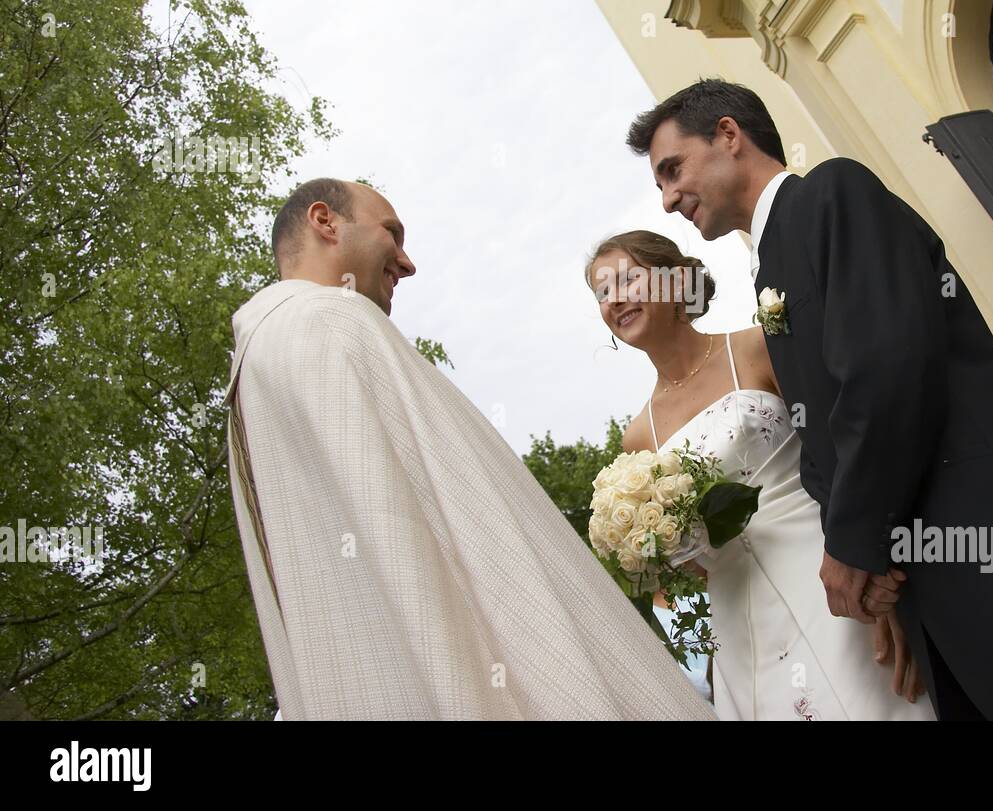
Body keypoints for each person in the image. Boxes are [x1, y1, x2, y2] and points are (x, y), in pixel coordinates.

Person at [625, 79, 993, 720]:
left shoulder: (833, 195)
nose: (668, 200)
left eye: (673, 170)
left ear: (727, 135)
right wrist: (870, 571)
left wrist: (852, 547)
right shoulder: (772, 268)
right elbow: (822, 440)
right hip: (946, 595)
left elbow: (889, 372)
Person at [225, 178, 716, 720]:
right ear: (325, 221)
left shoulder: (262, 357)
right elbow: (461, 534)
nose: (407, 263)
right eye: (392, 232)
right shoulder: (331, 323)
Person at [587, 230, 936, 720]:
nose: (614, 299)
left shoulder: (757, 348)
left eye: (626, 279)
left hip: (833, 575)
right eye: (602, 293)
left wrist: (882, 583)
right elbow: (690, 561)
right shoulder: (637, 437)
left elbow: (840, 461)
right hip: (738, 613)